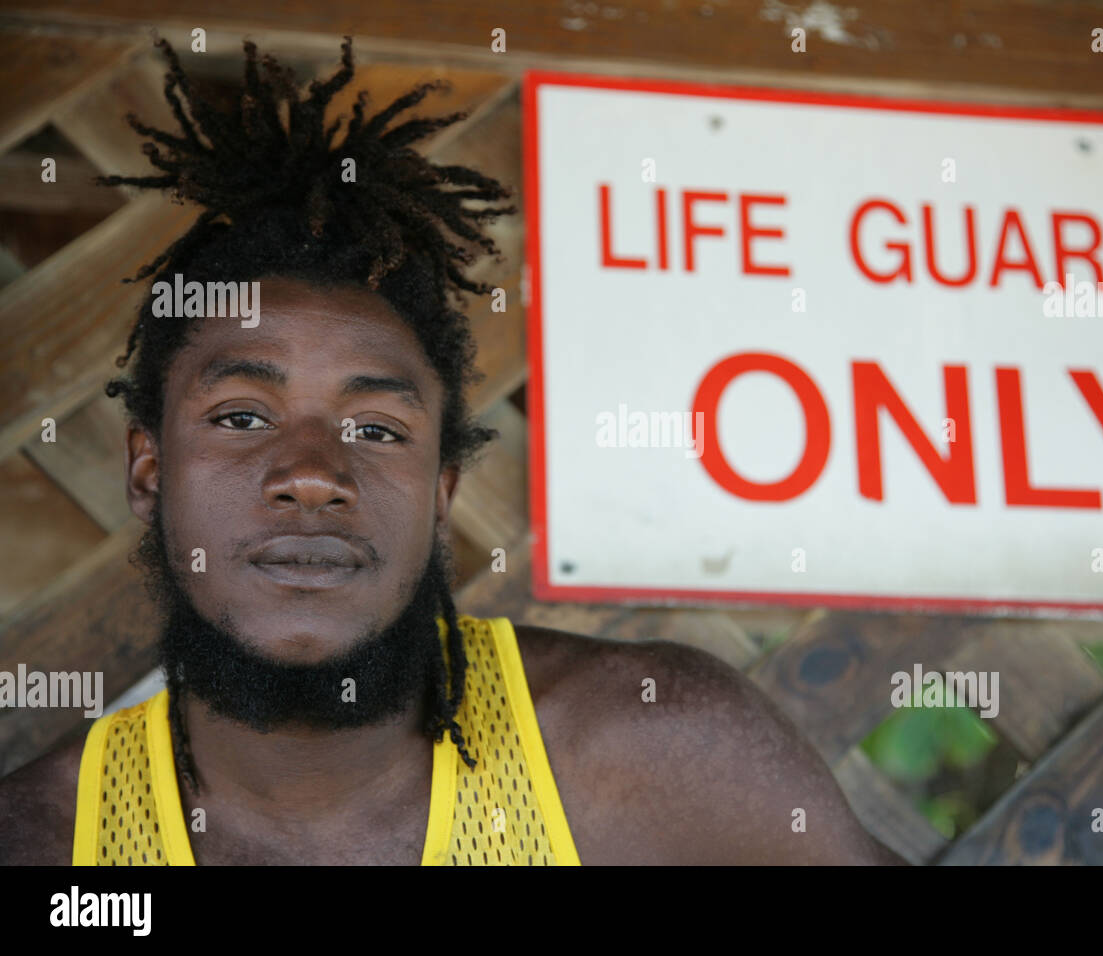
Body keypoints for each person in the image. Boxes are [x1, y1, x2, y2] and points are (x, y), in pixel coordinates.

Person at [0, 35, 903, 866]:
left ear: (441, 492)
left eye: (377, 430)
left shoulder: (655, 756)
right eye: (242, 417)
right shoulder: (45, 841)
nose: (313, 474)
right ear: (149, 474)